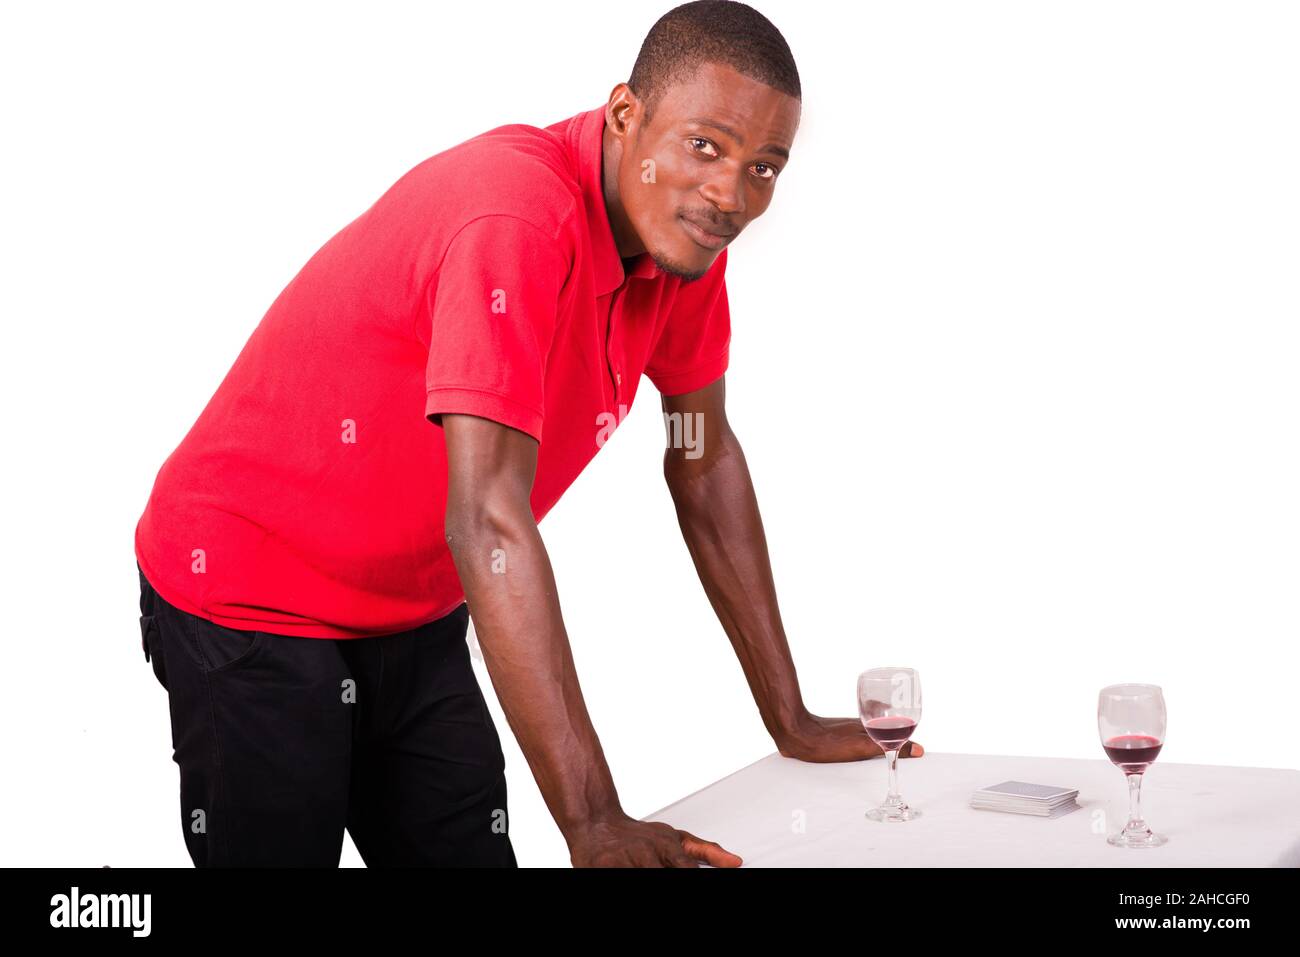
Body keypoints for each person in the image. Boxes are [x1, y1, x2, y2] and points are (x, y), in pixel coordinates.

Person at [134, 0, 922, 869]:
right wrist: (592, 820)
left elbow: (702, 458)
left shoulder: (685, 241)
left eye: (765, 166)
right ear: (627, 115)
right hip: (252, 595)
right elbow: (490, 518)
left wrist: (790, 715)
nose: (731, 194)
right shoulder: (517, 221)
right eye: (706, 146)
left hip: (413, 606)